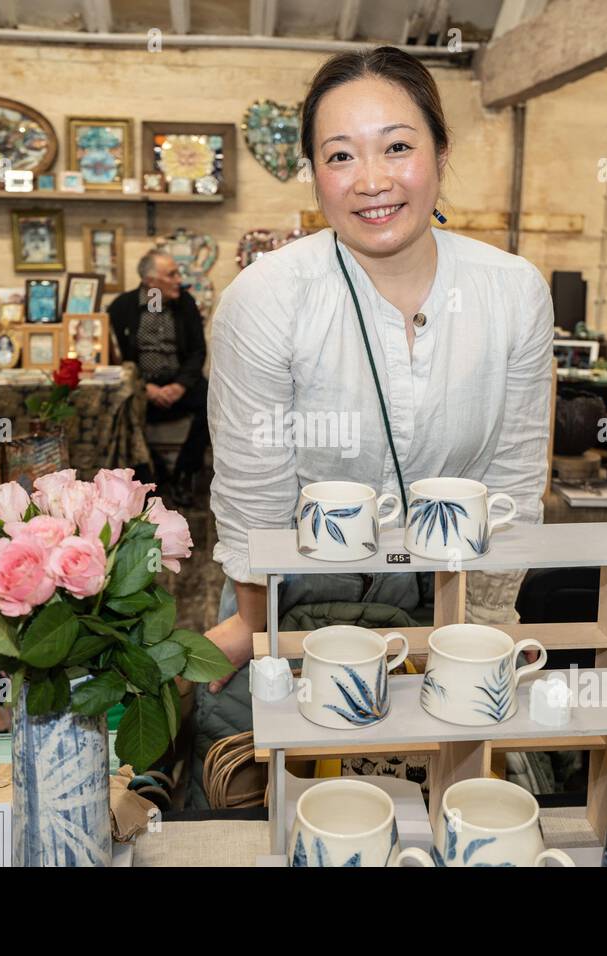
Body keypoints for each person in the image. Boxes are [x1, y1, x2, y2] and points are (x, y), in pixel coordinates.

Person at [193, 46, 554, 799]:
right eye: (340, 155)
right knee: (276, 804)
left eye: (396, 147)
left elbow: (515, 473)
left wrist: (487, 620)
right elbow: (255, 488)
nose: (371, 180)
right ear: (313, 172)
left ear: (441, 153)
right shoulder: (267, 298)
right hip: (285, 596)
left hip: (446, 593)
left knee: (452, 798)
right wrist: (254, 628)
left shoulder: (511, 292)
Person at [108, 250, 210, 505]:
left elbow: (198, 350)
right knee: (116, 405)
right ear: (150, 281)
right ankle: (152, 474)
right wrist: (145, 387)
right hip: (139, 386)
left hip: (178, 383)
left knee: (214, 400)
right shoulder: (122, 307)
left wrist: (180, 385)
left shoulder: (185, 303)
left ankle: (185, 473)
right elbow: (114, 356)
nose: (179, 280)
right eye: (172, 275)